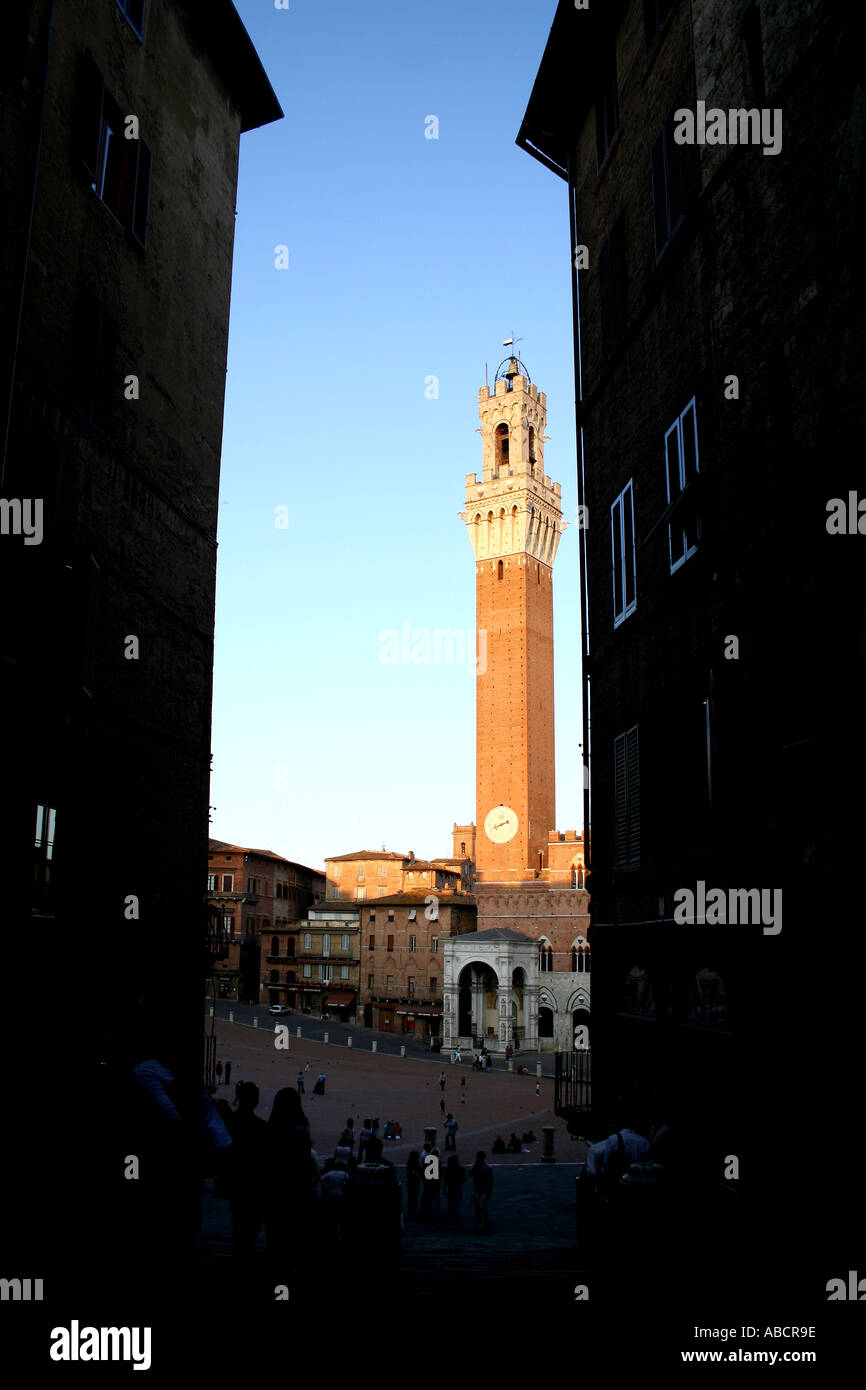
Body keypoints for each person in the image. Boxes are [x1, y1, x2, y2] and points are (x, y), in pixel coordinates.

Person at [265, 1087, 318, 1269]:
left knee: (276, 1238)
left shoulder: (270, 1130)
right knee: (296, 1239)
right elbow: (305, 1163)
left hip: (276, 1193)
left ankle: (278, 1285)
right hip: (298, 1192)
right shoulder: (301, 1131)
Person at [225, 1082, 268, 1258]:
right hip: (255, 1187)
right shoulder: (263, 1128)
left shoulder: (228, 1122)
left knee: (238, 1226)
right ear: (256, 1100)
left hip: (234, 1183)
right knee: (251, 1232)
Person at [470, 1151, 493, 1232]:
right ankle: (481, 1222)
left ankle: (484, 1222)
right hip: (478, 1189)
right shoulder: (485, 1167)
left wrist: (489, 1192)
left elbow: (490, 1181)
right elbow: (470, 1174)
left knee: (481, 1206)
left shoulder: (487, 1168)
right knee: (478, 1207)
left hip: (483, 1189)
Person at [443, 1155, 468, 1230]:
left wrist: (444, 1189)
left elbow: (446, 1180)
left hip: (453, 1189)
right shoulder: (459, 1168)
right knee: (455, 1207)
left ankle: (453, 1222)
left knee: (452, 1206)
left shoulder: (449, 1169)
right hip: (456, 1189)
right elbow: (465, 1179)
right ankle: (456, 1222)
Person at [406, 1151, 422, 1220]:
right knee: (415, 1198)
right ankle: (413, 1213)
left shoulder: (409, 1162)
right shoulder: (416, 1163)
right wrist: (416, 1174)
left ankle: (410, 1212)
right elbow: (418, 1171)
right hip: (415, 1181)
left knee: (410, 1198)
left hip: (410, 1181)